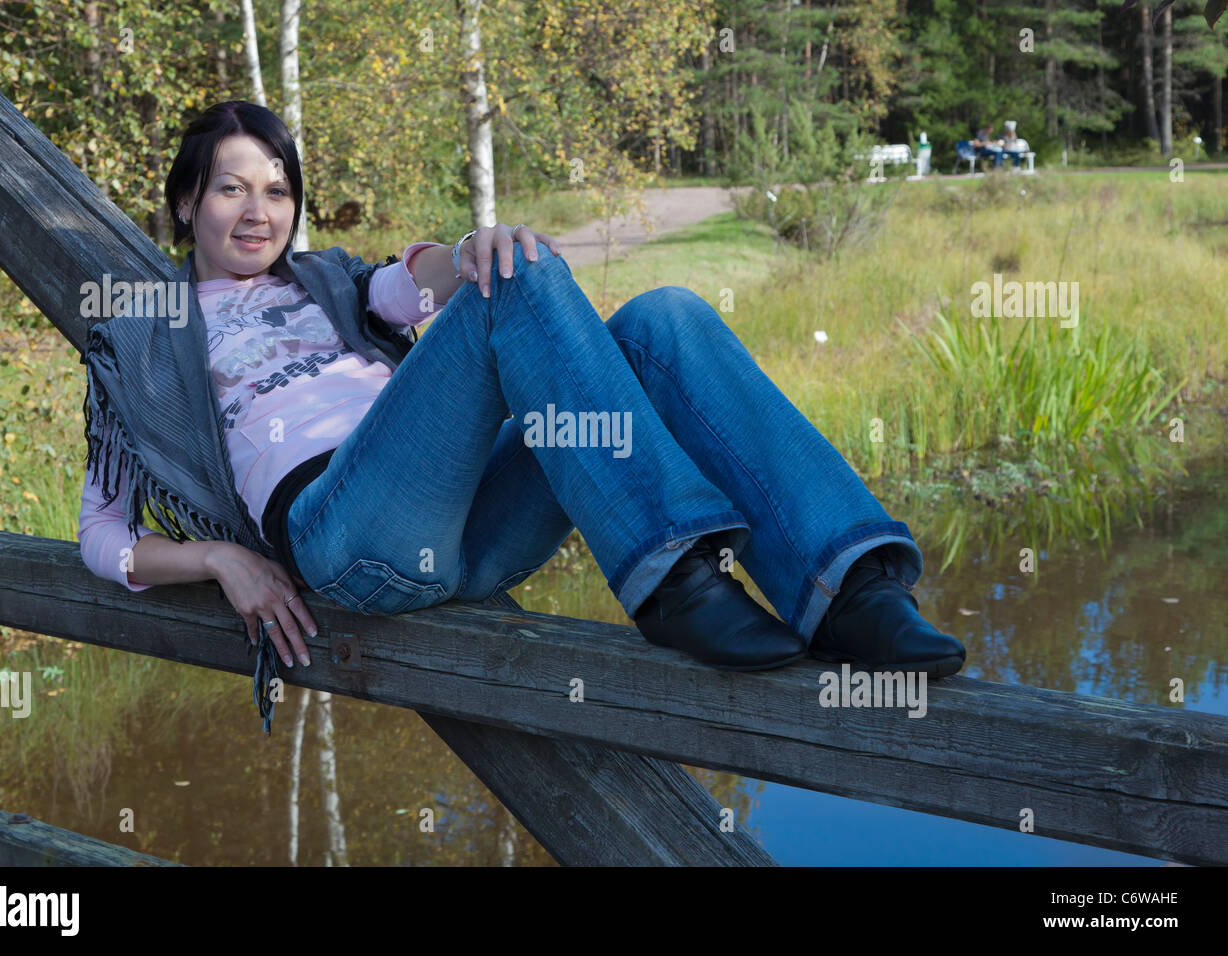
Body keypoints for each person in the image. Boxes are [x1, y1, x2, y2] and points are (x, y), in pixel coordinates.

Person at [79, 102, 965, 729]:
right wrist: (221, 559)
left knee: (662, 320)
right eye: (231, 189)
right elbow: (101, 535)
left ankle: (846, 588)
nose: (259, 211)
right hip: (347, 533)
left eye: (277, 190)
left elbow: (410, 283)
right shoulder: (138, 339)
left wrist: (466, 252)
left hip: (469, 526)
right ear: (187, 200)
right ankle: (677, 581)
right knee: (515, 290)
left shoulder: (326, 281)